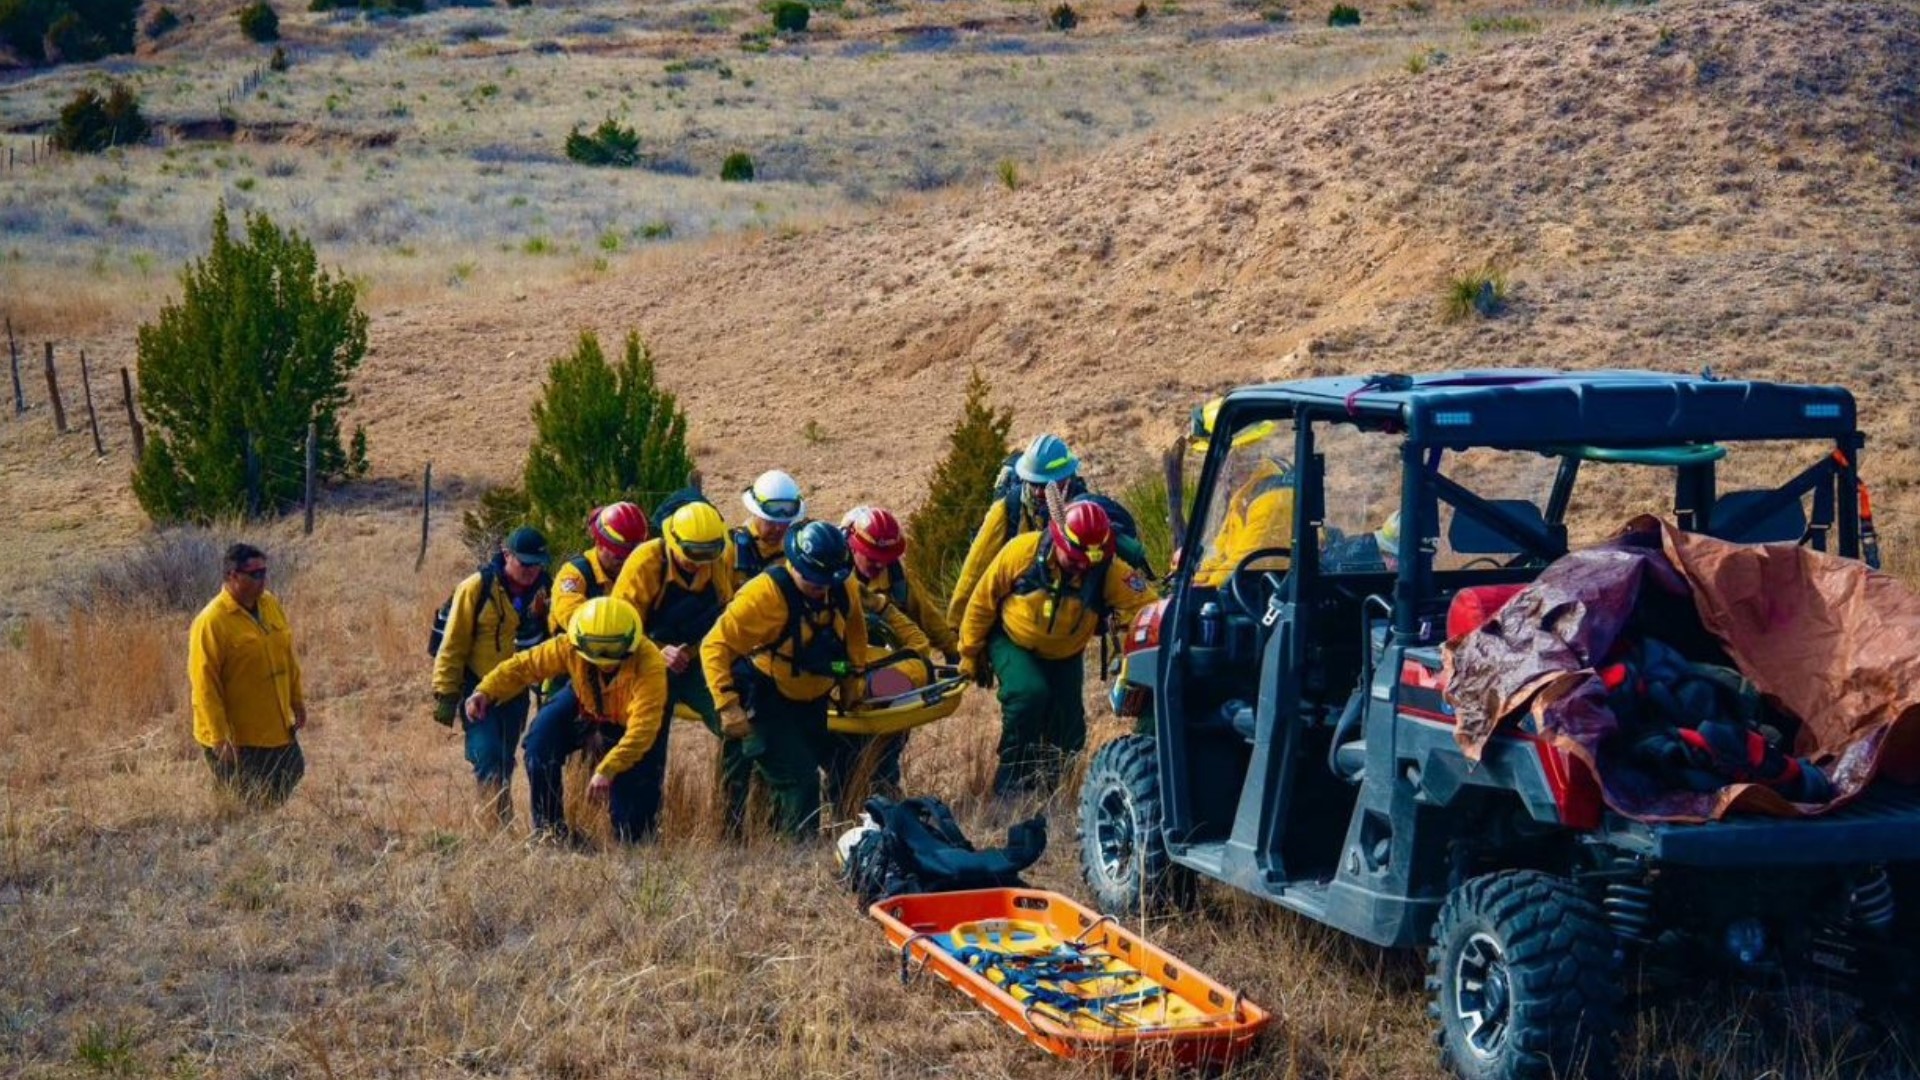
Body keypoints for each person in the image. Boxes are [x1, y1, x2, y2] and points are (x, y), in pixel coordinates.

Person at [958, 499, 1154, 795]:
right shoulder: (1021, 551)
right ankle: (1012, 781)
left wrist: (1132, 630)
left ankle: (1054, 787)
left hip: (1066, 653)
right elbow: (982, 602)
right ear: (1059, 539)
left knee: (1071, 730)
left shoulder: (1107, 570)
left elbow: (1148, 607)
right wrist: (969, 653)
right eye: (1074, 558)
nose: (1081, 566)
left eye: (1088, 561)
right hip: (1013, 639)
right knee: (1028, 695)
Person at [701, 519, 868, 838]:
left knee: (845, 761)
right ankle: (797, 860)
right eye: (815, 582)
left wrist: (852, 677)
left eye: (828, 582)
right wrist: (726, 704)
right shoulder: (763, 596)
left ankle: (792, 837)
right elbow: (715, 645)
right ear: (796, 564)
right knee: (800, 782)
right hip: (767, 700)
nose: (823, 589)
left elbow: (856, 630)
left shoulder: (842, 585)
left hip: (815, 698)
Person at [468, 597, 670, 845]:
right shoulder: (567, 645)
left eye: (613, 652)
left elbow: (643, 730)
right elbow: (524, 666)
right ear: (579, 642)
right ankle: (550, 832)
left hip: (628, 727)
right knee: (539, 746)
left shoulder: (650, 662)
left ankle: (634, 835)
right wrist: (485, 691)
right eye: (595, 652)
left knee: (633, 832)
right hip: (584, 702)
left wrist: (608, 768)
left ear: (631, 642)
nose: (605, 661)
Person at [611, 501, 747, 833]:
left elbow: (726, 610)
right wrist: (658, 652)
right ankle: (636, 834)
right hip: (647, 666)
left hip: (700, 662)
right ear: (673, 541)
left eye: (707, 555)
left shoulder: (717, 557)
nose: (699, 563)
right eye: (692, 554)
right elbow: (618, 627)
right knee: (645, 750)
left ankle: (733, 824)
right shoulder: (645, 561)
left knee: (741, 730)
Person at [825, 506, 948, 809]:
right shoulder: (826, 574)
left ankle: (884, 798)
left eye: (884, 560)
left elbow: (925, 617)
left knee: (889, 739)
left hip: (882, 670)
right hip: (834, 668)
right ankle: (844, 805)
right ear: (851, 547)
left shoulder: (895, 577)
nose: (878, 566)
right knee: (844, 751)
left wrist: (957, 650)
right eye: (871, 558)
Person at [430, 525, 552, 826]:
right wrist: (446, 693)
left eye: (537, 565)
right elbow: (453, 642)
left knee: (505, 761)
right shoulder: (476, 587)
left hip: (516, 692)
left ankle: (500, 823)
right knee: (487, 758)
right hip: (476, 688)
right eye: (524, 563)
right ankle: (494, 831)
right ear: (506, 554)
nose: (531, 571)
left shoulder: (547, 589)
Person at [189, 542, 308, 808]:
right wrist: (219, 738)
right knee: (244, 803)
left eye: (265, 572)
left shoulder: (270, 605)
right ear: (232, 576)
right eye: (254, 575)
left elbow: (288, 657)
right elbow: (205, 686)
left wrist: (297, 701)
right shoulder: (211, 622)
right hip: (237, 736)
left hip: (273, 723)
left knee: (293, 769)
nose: (262, 580)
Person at [945, 433, 1088, 628]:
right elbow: (974, 569)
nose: (1039, 492)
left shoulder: (1083, 511)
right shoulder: (1008, 508)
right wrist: (955, 627)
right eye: (1034, 483)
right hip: (1016, 612)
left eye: (1046, 485)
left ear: (1065, 479)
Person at [550, 502, 649, 636]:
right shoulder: (575, 575)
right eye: (619, 557)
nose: (627, 563)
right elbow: (571, 616)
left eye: (632, 557)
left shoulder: (642, 571)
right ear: (599, 544)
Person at [731, 469, 806, 579]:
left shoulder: (798, 548)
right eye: (770, 522)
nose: (778, 528)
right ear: (755, 513)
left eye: (785, 522)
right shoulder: (733, 550)